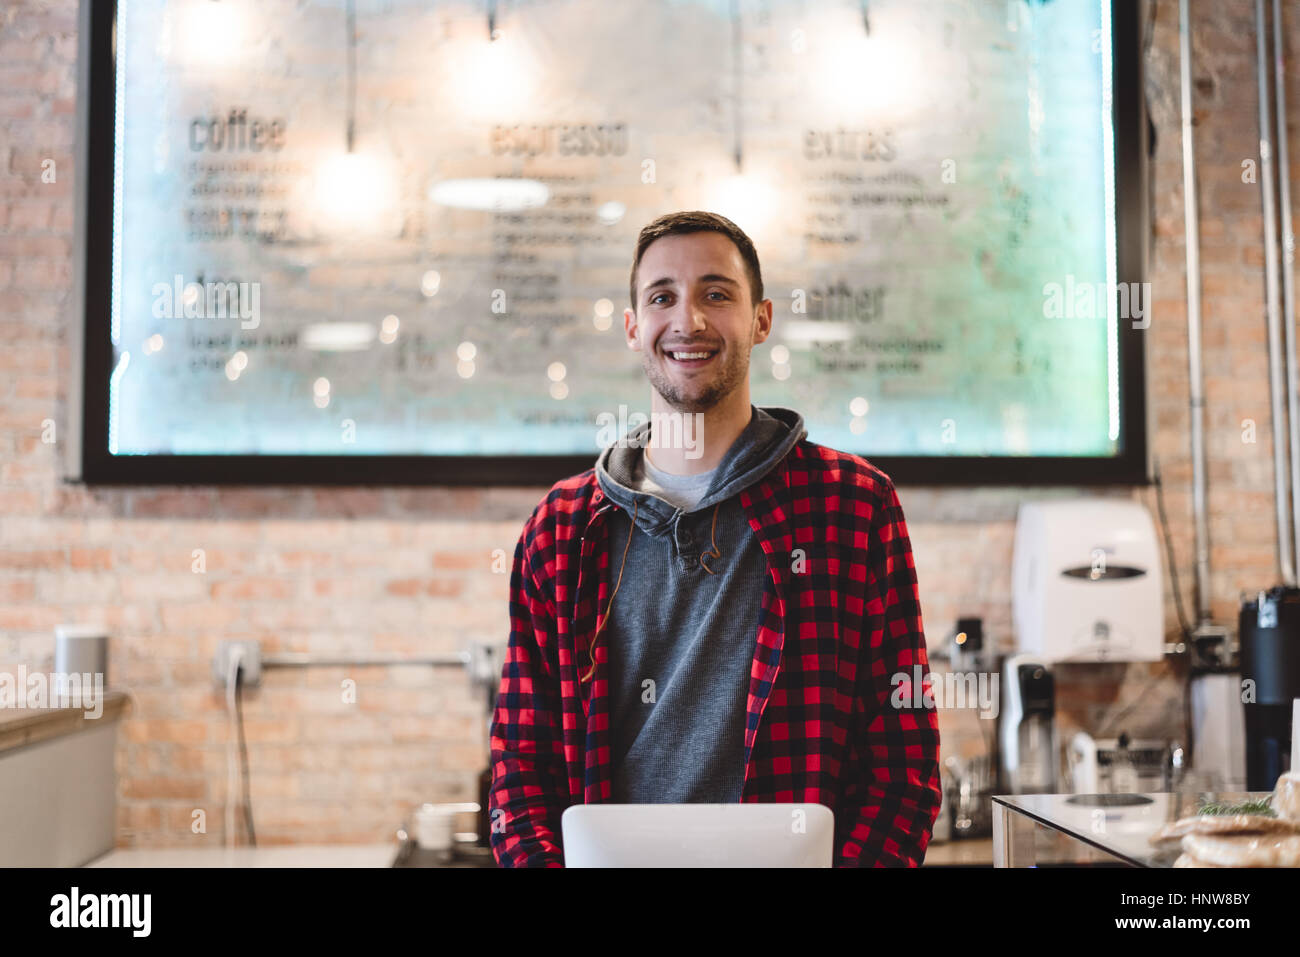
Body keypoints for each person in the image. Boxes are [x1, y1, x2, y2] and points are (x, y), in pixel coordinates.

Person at [489, 210, 941, 866]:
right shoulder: (560, 530)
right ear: (632, 327)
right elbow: (519, 771)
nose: (689, 321)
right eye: (662, 297)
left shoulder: (854, 506)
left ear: (761, 319)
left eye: (717, 293)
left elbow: (904, 763)